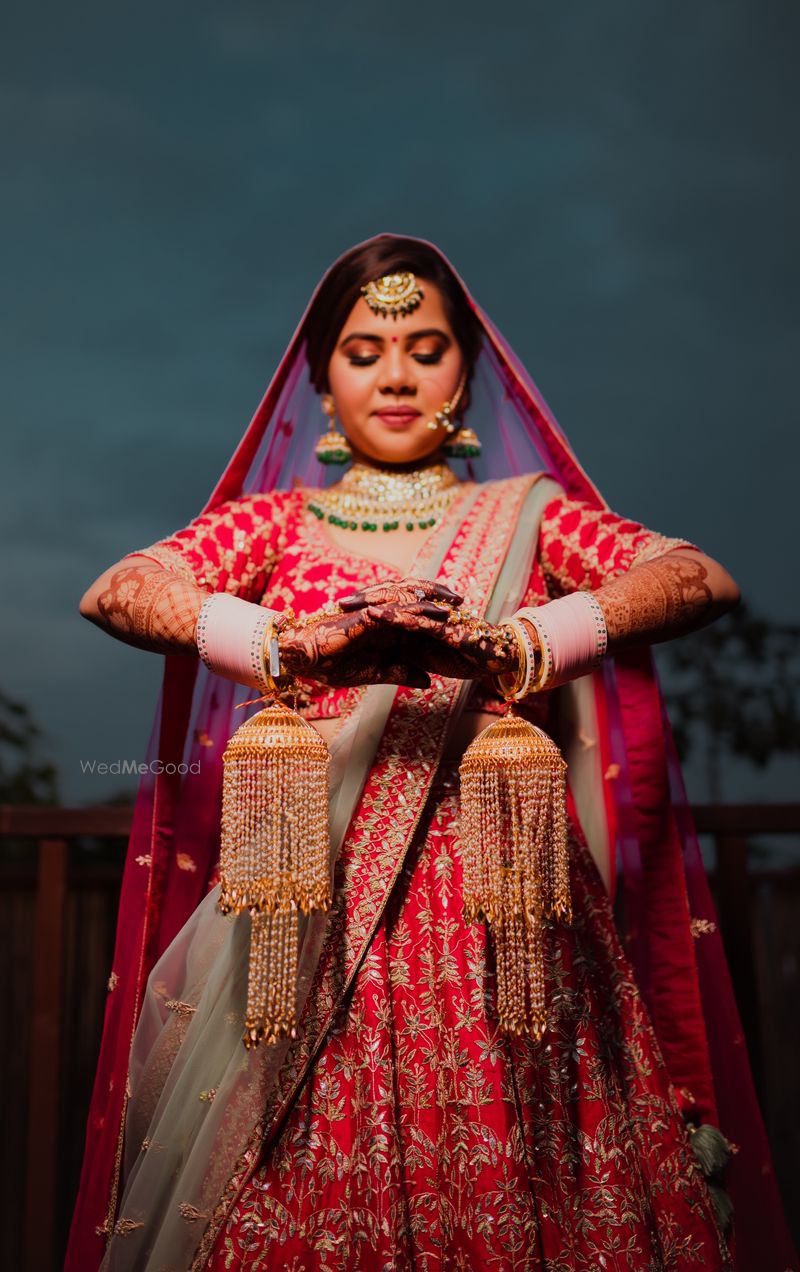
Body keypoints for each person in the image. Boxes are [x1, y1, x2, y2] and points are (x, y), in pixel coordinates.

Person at [68, 235, 797, 1272]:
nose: (398, 374)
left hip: (505, 910)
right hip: (303, 915)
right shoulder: (276, 524)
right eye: (364, 351)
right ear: (320, 379)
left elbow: (694, 577)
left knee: (525, 1160)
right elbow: (117, 590)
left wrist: (517, 644)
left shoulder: (525, 515)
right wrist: (292, 643)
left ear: (465, 368)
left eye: (425, 346)